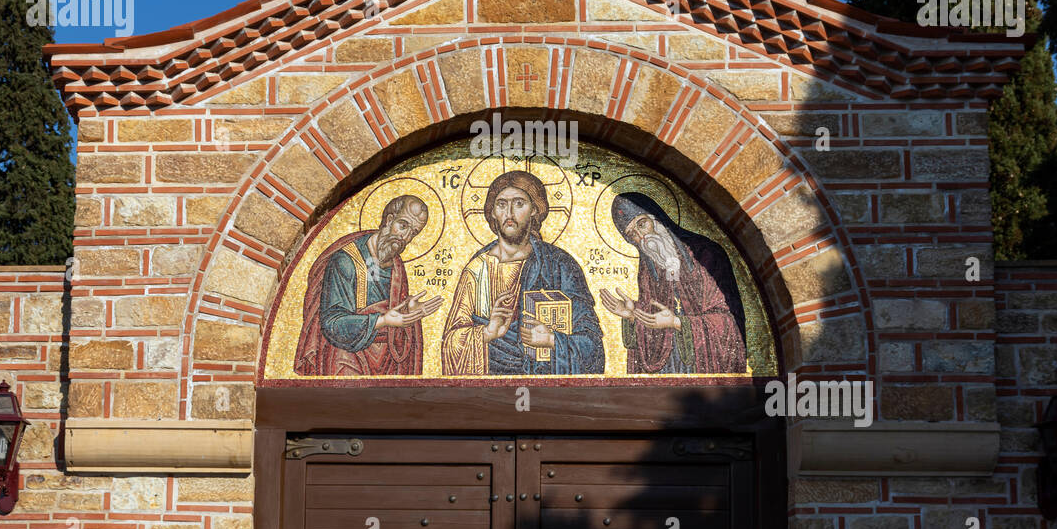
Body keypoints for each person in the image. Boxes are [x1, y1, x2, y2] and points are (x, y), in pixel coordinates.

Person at [441, 170, 603, 375]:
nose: (509, 213)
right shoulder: (477, 269)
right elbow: (450, 342)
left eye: (519, 203)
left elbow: (593, 346)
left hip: (549, 392)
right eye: (501, 204)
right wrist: (487, 333)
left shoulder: (560, 265)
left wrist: (551, 340)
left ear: (535, 209)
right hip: (488, 393)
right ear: (492, 212)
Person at [292, 194, 442, 376]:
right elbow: (332, 323)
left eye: (414, 232)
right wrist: (383, 321)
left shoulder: (396, 265)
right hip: (347, 357)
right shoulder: (345, 260)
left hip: (387, 359)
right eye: (403, 226)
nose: (406, 236)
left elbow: (394, 312)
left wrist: (409, 310)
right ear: (389, 220)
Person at [599, 192, 747, 374]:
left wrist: (678, 323)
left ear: (657, 218)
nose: (642, 236)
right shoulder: (649, 270)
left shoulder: (706, 254)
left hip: (704, 368)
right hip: (668, 368)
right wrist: (633, 315)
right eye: (633, 234)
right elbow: (654, 321)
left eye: (642, 224)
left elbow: (730, 322)